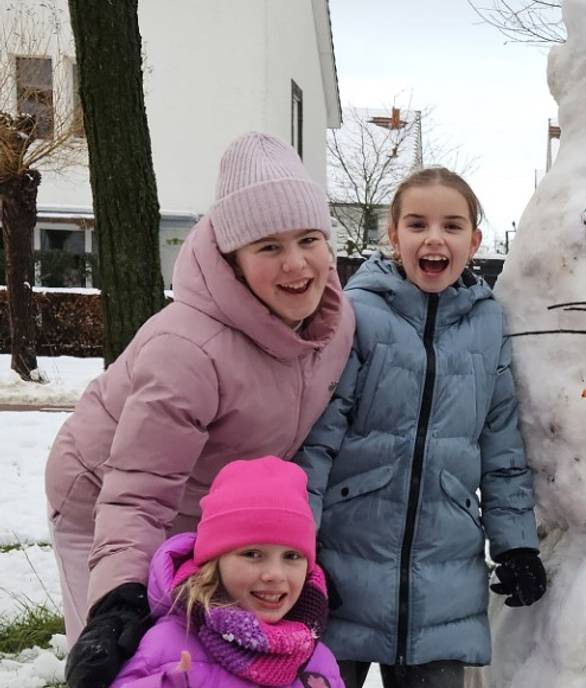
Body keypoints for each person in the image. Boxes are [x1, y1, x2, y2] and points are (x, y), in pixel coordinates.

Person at [48, 133, 354, 687]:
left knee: (217, 655)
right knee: (140, 655)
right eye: (267, 247)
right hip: (104, 496)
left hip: (215, 502)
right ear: (232, 259)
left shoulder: (336, 326)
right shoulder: (188, 351)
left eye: (309, 239)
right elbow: (136, 494)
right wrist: (117, 602)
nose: (296, 264)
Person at [296, 168, 542, 688]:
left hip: (443, 581)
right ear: (394, 236)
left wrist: (516, 544)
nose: (434, 238)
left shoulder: (489, 324)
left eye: (452, 226)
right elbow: (317, 441)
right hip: (339, 567)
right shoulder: (357, 314)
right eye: (417, 224)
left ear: (474, 241)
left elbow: (501, 445)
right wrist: (296, 549)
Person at [111, 456, 344, 688]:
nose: (275, 574)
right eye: (252, 554)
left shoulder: (318, 661)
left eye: (291, 556)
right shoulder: (168, 645)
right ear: (215, 561)